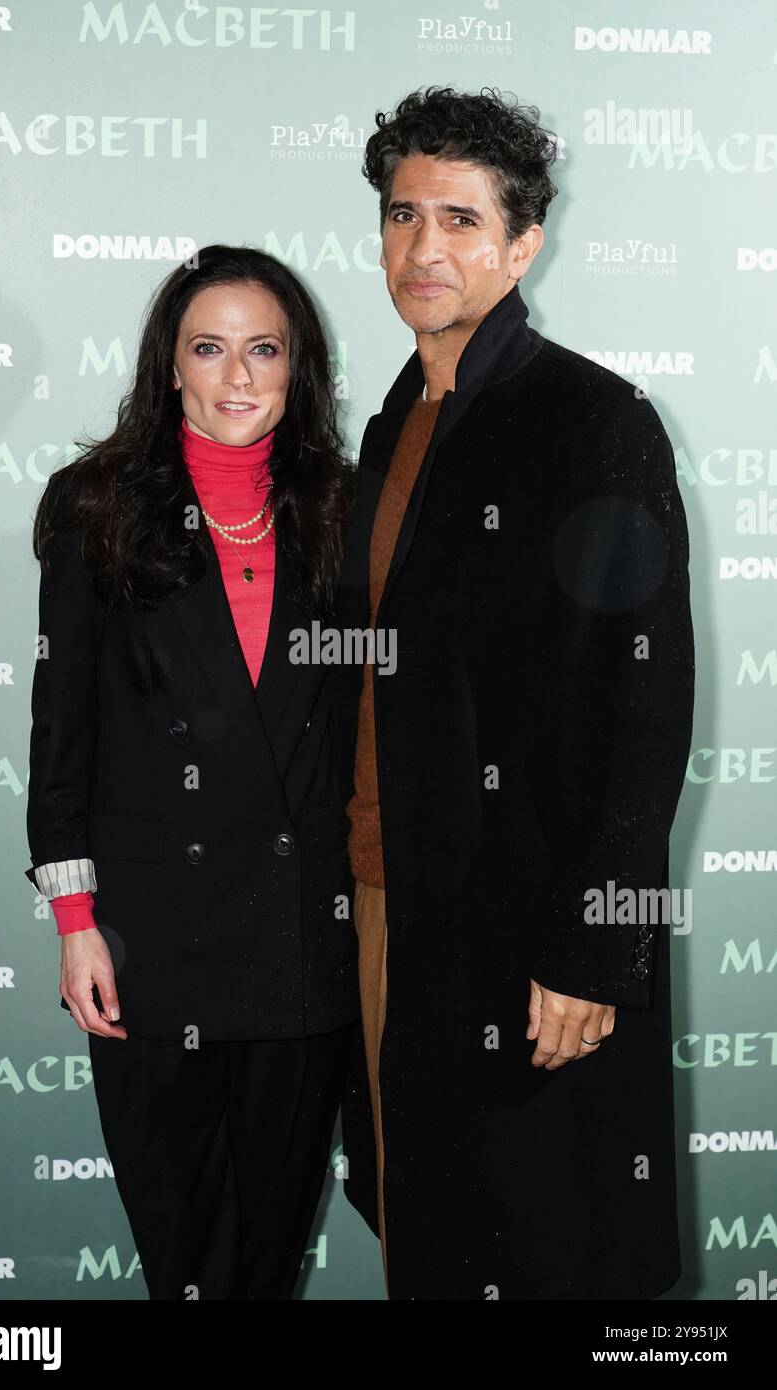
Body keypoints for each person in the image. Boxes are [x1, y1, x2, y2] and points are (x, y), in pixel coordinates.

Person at [333, 86, 695, 1300]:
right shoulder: (391, 425)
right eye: (400, 215)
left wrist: (595, 945)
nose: (423, 249)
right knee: (433, 1230)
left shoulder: (594, 420)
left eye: (460, 219)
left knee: (551, 1244)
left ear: (522, 242)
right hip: (395, 905)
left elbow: (642, 710)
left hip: (534, 928)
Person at [23, 245, 359, 1300]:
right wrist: (77, 924)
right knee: (189, 1264)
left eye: (264, 349)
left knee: (264, 1259)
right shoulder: (95, 507)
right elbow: (61, 730)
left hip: (302, 937)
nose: (238, 377)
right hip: (152, 942)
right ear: (170, 365)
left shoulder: (344, 512)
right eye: (209, 349)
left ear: (297, 364)